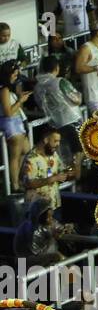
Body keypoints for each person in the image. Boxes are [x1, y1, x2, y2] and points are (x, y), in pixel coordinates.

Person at [21, 124, 79, 215]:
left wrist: (69, 174)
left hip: (55, 206)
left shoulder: (54, 155)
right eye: (55, 141)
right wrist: (52, 179)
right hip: (37, 211)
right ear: (45, 140)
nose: (58, 144)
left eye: (59, 141)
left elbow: (60, 173)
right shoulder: (31, 159)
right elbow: (28, 183)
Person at [0, 59, 32, 191]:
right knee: (15, 155)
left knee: (26, 150)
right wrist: (20, 100)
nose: (15, 77)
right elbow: (8, 112)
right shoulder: (4, 90)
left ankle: (18, 179)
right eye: (13, 74)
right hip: (10, 123)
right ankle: (14, 184)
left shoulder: (9, 89)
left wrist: (20, 98)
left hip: (17, 122)